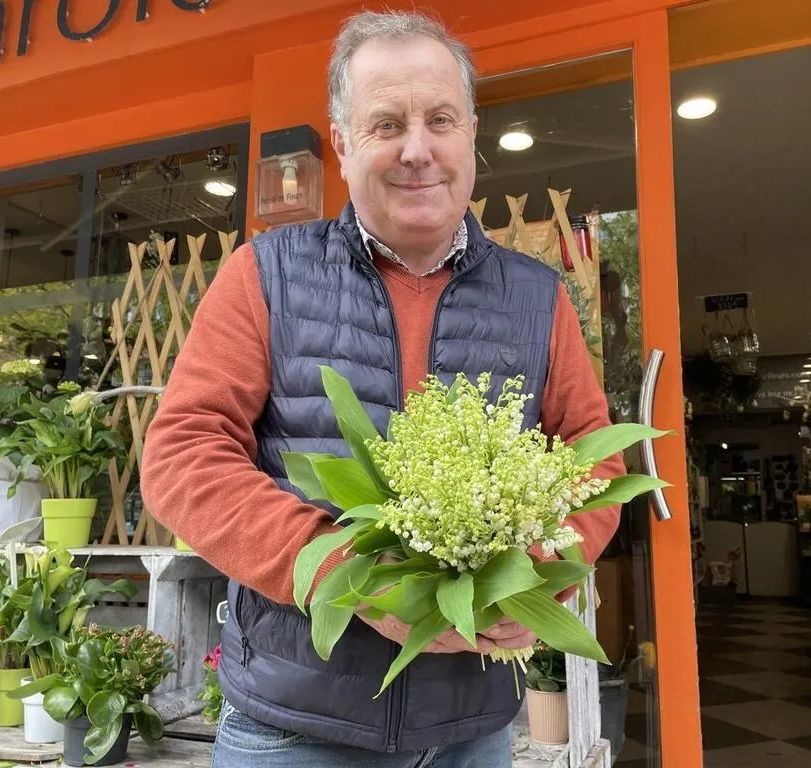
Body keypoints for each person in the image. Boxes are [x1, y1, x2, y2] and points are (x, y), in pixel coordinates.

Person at [141, 9, 626, 768]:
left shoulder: (539, 299)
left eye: (440, 120)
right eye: (386, 124)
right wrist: (347, 575)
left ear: (472, 134)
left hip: (472, 732)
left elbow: (595, 460)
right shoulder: (265, 275)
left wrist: (531, 576)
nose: (417, 149)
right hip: (294, 731)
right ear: (341, 143)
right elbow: (182, 455)